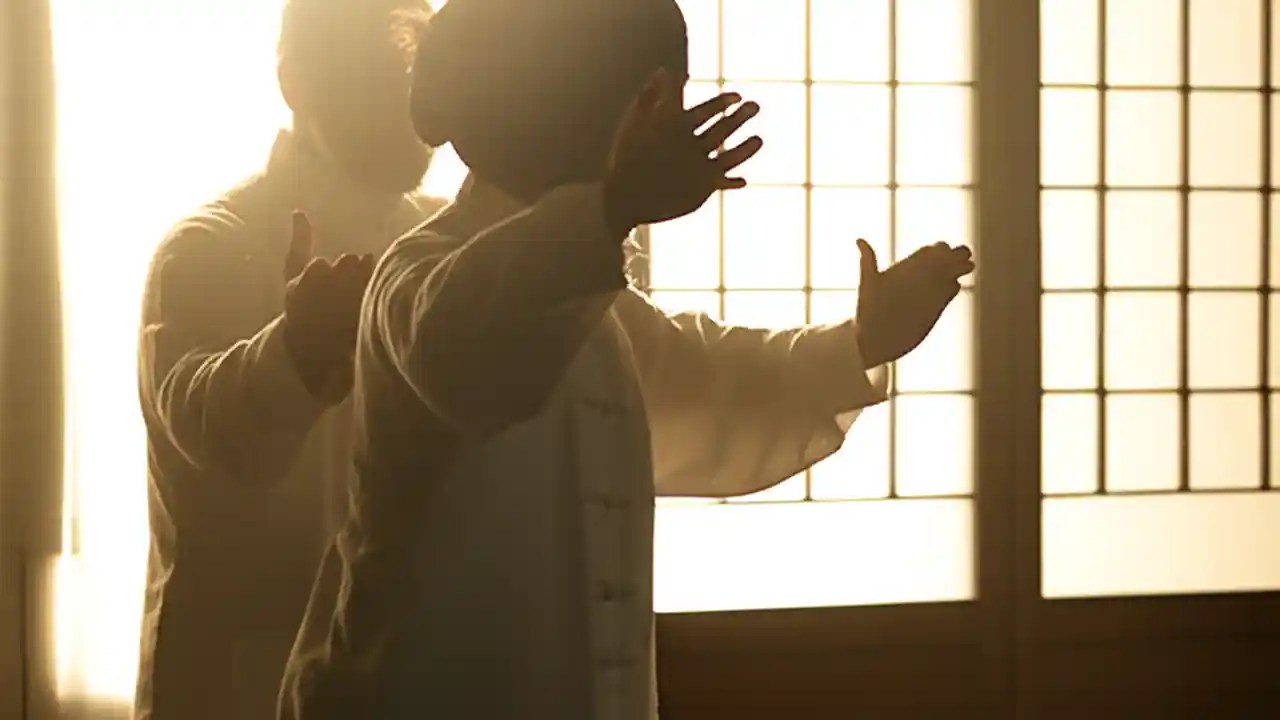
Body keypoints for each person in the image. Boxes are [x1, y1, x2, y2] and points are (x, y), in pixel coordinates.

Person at [279, 0, 974, 717]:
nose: (665, 124)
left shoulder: (592, 300)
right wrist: (613, 206)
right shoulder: (418, 272)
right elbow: (472, 357)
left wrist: (862, 343)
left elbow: (707, 377)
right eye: (651, 98)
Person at [133, 1, 447, 717]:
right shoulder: (206, 250)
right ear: (295, 82)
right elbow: (207, 423)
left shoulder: (440, 243)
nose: (410, 102)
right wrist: (296, 357)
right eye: (382, 73)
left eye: (419, 71)